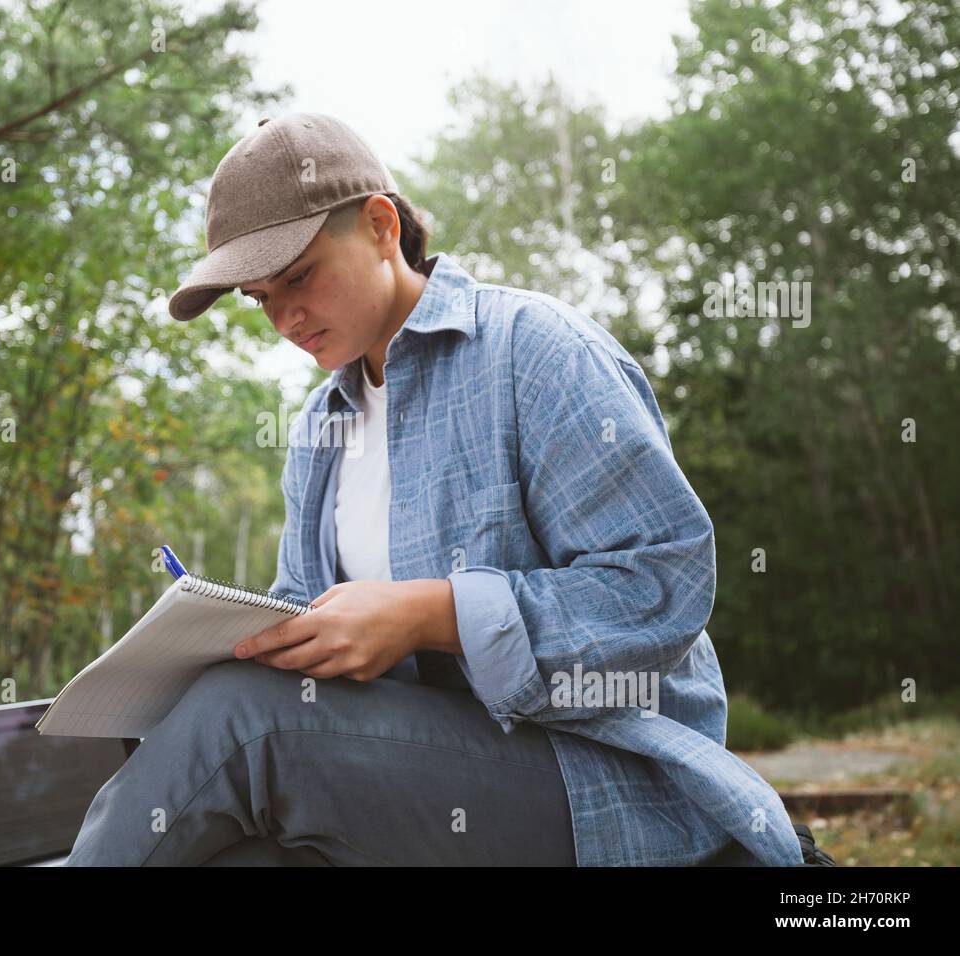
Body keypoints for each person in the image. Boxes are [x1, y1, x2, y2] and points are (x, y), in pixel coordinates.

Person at [63, 112, 803, 866]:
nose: (284, 318)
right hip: (418, 775)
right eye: (259, 298)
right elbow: (306, 624)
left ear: (382, 226)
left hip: (599, 775)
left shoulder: (535, 351)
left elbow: (660, 586)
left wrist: (435, 615)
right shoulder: (321, 430)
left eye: (299, 277)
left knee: (242, 722)